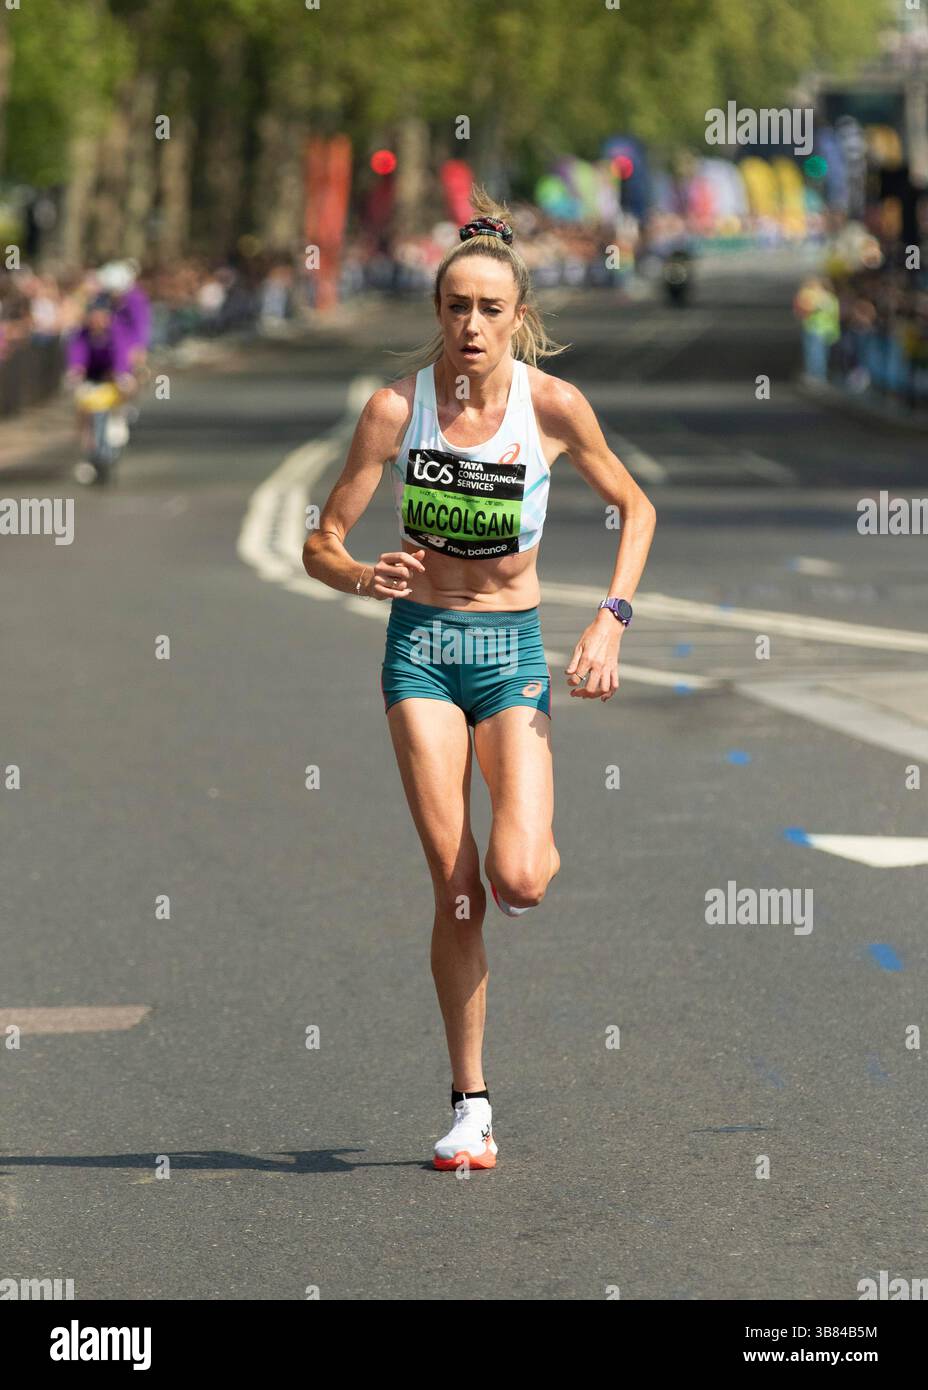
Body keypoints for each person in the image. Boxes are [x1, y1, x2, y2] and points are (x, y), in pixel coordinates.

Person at [302, 188, 657, 1171]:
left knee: (520, 880)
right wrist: (361, 571)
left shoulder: (551, 409)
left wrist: (610, 621)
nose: (468, 324)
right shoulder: (393, 409)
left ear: (516, 317)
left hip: (510, 657)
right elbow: (320, 540)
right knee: (456, 890)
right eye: (453, 306)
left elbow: (636, 509)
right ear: (436, 312)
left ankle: (523, 836)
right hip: (420, 651)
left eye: (487, 309)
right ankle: (470, 1103)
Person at [64, 292, 137, 480]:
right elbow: (77, 354)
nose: (97, 320)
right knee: (82, 409)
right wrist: (75, 371)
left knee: (126, 389)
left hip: (111, 377)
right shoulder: (82, 334)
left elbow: (122, 354)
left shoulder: (116, 332)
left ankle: (119, 416)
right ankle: (87, 448)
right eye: (94, 316)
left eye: (101, 315)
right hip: (91, 378)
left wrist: (123, 374)